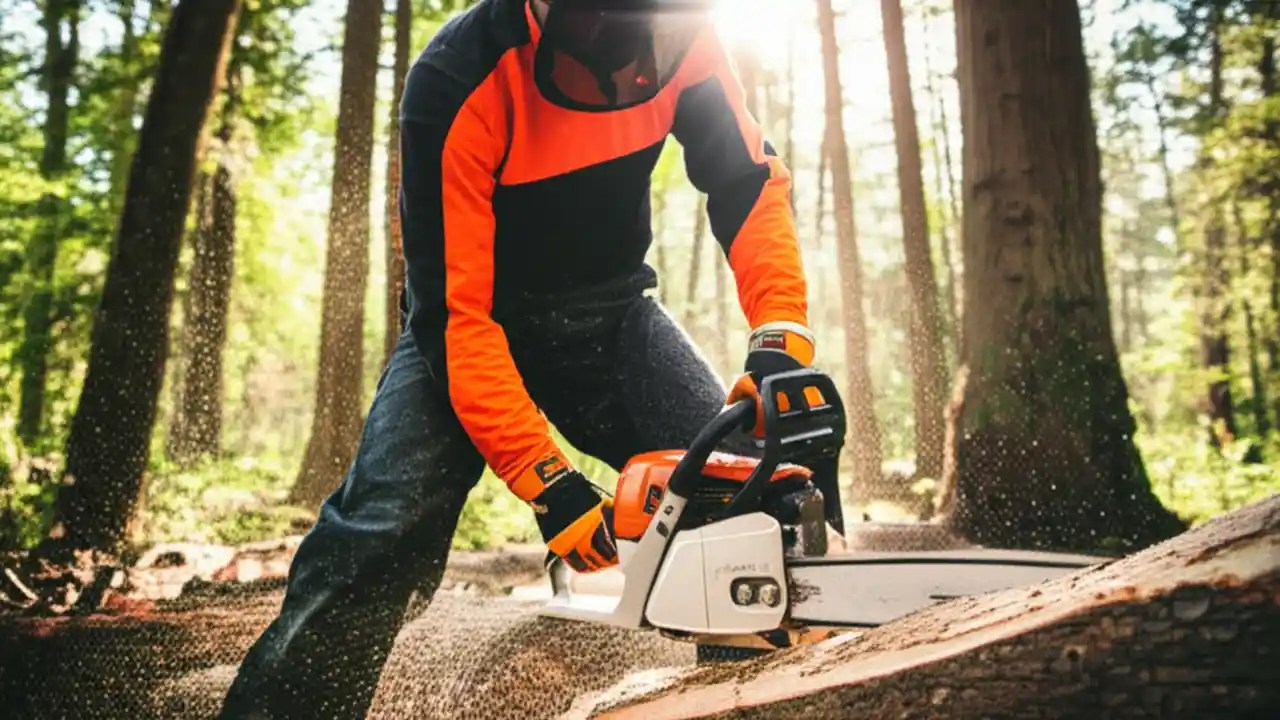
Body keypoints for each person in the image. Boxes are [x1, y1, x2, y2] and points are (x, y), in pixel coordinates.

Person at [219, 0, 828, 717]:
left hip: (613, 312)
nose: (622, 59)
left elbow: (748, 184)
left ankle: (749, 697)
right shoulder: (456, 80)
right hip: (469, 326)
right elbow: (456, 316)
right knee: (378, 528)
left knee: (741, 486)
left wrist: (780, 334)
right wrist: (551, 485)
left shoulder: (690, 36)